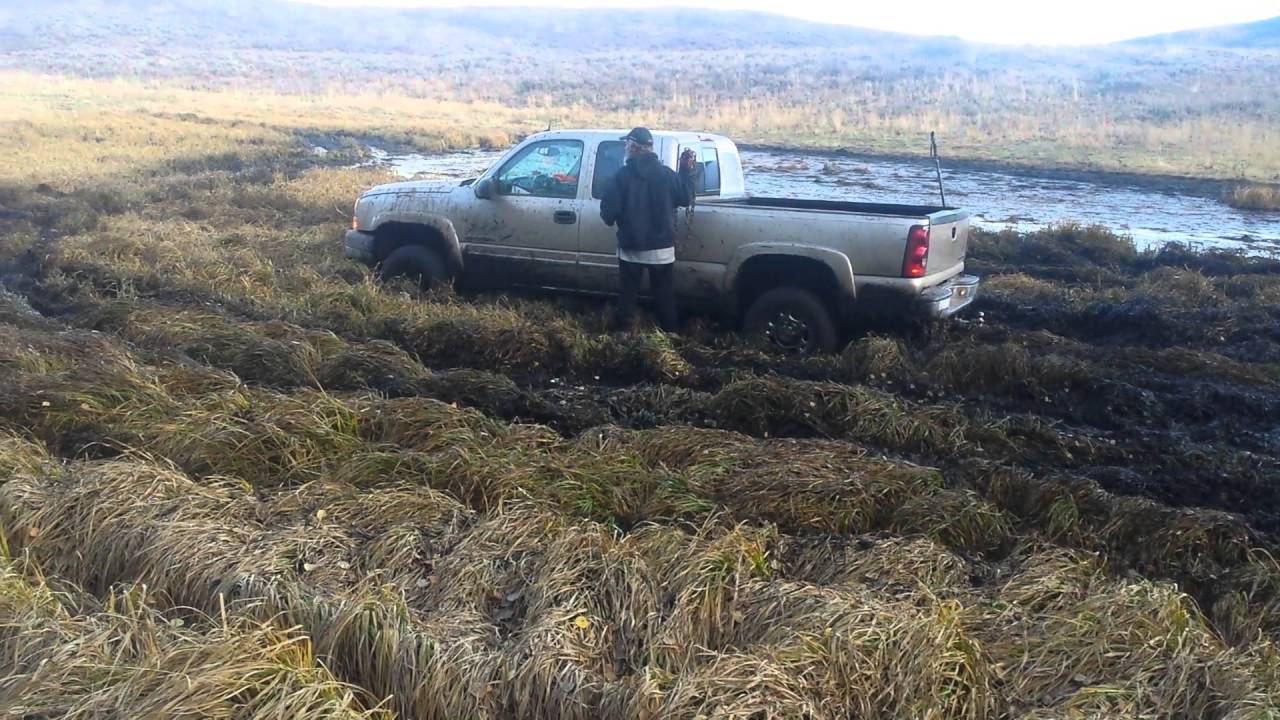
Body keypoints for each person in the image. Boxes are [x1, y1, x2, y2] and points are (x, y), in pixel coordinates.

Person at [600, 127, 697, 333]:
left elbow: (609, 211)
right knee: (664, 295)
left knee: (627, 294)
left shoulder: (622, 176)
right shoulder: (667, 175)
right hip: (662, 249)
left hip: (631, 248)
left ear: (634, 147)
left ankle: (623, 333)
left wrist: (610, 218)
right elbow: (685, 197)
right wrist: (686, 172)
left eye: (627, 144)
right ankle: (670, 334)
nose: (625, 148)